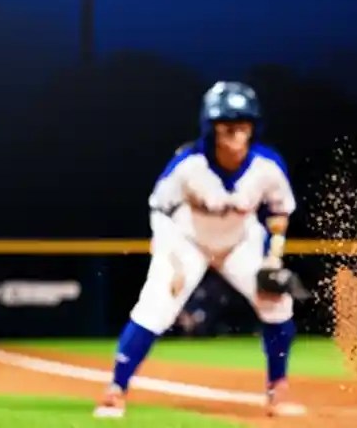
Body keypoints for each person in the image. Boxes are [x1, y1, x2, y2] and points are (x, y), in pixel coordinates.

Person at [94, 81, 306, 419]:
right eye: (227, 126)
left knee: (277, 303)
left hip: (240, 242)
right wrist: (171, 259)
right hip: (186, 240)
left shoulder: (267, 166)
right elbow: (160, 209)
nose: (236, 133)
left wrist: (273, 257)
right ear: (212, 128)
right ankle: (116, 389)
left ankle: (277, 391)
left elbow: (279, 211)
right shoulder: (188, 164)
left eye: (243, 125)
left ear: (253, 128)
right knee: (156, 306)